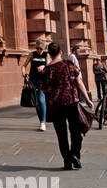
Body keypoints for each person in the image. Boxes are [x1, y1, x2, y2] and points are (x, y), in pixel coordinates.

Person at [42, 42, 94, 170]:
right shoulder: (68, 65)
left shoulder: (46, 70)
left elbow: (44, 89)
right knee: (76, 131)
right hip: (71, 101)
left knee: (61, 134)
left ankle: (67, 161)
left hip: (55, 105)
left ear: (49, 53)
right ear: (60, 52)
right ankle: (75, 154)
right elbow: (79, 81)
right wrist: (87, 99)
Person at [22, 38, 50, 132]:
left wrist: (44, 67)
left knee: (41, 100)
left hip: (43, 81)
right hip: (33, 80)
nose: (39, 50)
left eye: (41, 48)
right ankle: (41, 121)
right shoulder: (32, 54)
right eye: (37, 48)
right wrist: (24, 73)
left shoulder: (47, 55)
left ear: (44, 48)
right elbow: (24, 65)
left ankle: (43, 122)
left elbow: (50, 67)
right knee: (37, 102)